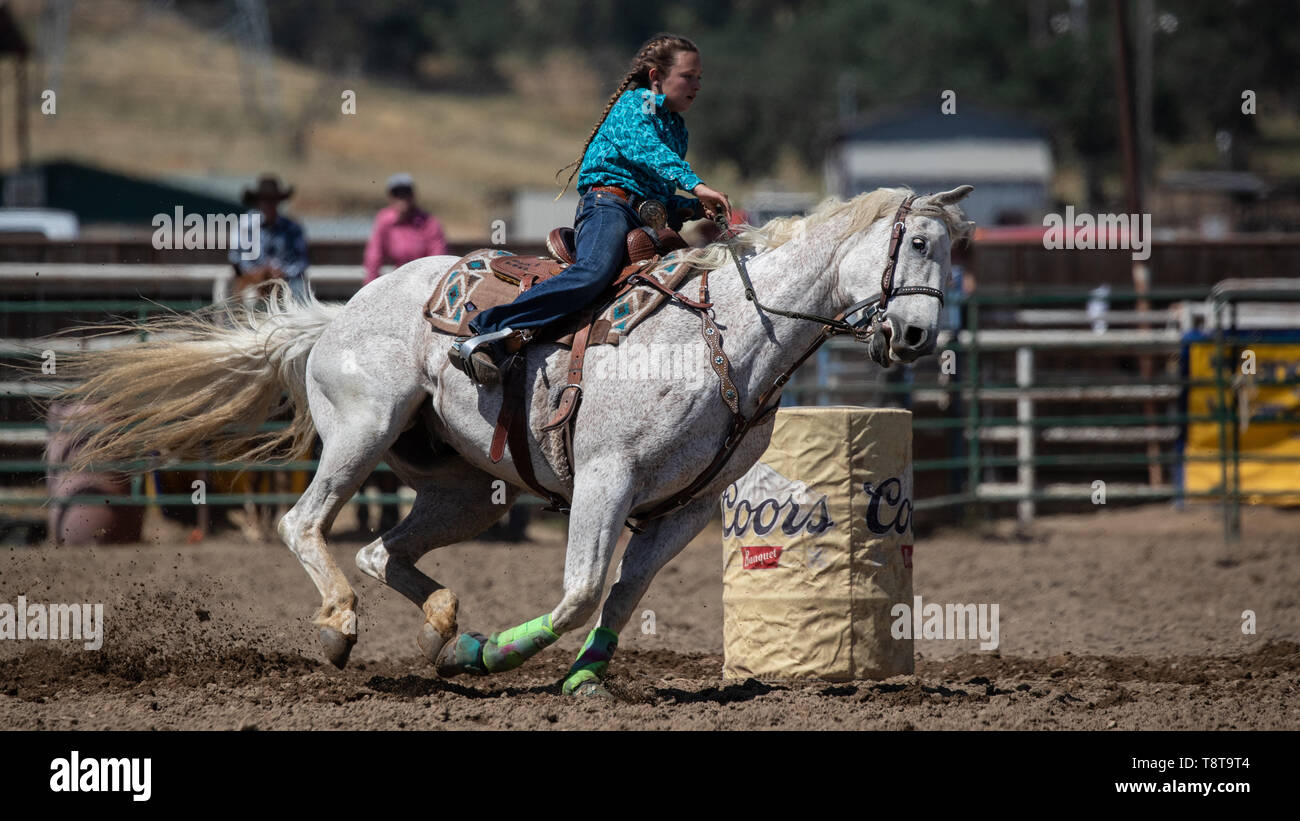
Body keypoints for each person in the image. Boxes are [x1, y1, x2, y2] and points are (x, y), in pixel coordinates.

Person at [449, 33, 731, 383]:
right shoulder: (636, 104)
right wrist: (698, 185)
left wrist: (689, 208)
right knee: (595, 271)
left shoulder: (678, 128)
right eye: (688, 76)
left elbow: (656, 191)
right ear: (657, 77)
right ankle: (486, 328)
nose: (697, 85)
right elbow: (649, 153)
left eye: (699, 77)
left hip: (641, 218)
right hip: (607, 206)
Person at [229, 174, 311, 305]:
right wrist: (258, 272)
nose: (269, 204)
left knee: (298, 293)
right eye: (265, 200)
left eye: (272, 200)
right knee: (248, 298)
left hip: (285, 282)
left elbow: (301, 262)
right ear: (258, 202)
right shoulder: (245, 225)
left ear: (278, 201)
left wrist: (283, 272)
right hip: (253, 282)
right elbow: (237, 260)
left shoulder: (293, 228)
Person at [363, 173, 449, 285]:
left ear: (413, 195)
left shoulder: (429, 223)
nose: (402, 198)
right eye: (397, 194)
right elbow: (374, 255)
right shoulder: (384, 220)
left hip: (424, 280)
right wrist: (370, 286)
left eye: (406, 193)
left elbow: (438, 257)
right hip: (395, 280)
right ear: (390, 197)